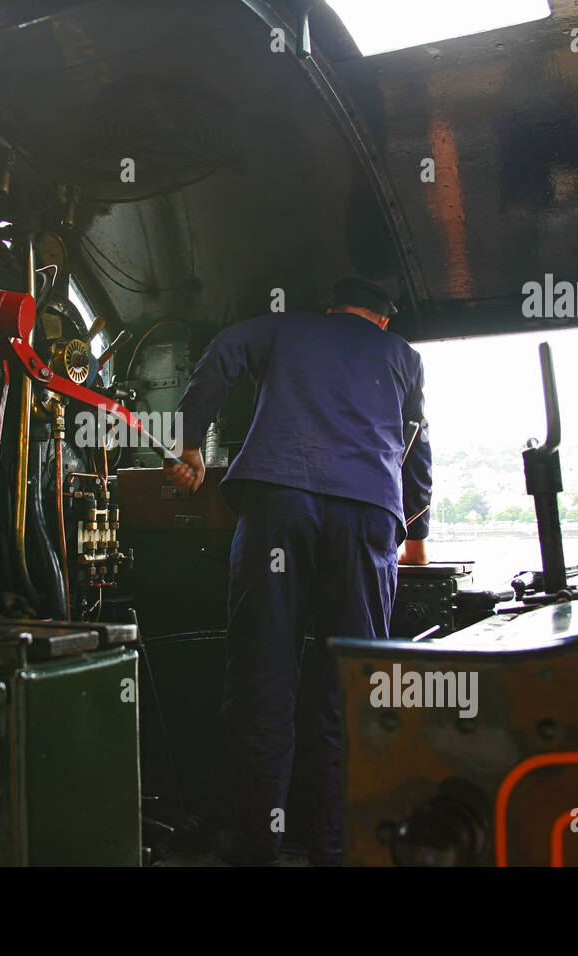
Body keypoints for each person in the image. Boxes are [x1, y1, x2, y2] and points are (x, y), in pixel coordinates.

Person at [165, 277, 432, 866]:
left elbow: (224, 352)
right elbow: (417, 443)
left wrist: (187, 441)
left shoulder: (285, 326)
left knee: (263, 682)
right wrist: (417, 535)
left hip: (279, 507)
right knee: (353, 688)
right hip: (368, 517)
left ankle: (258, 846)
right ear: (383, 320)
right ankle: (337, 849)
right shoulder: (404, 357)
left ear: (331, 306)